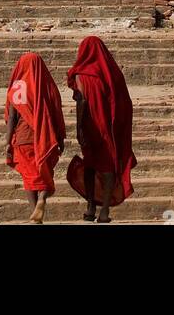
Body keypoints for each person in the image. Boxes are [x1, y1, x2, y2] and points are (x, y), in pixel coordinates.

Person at [67, 35, 136, 223]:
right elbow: (124, 101)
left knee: (90, 164)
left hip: (90, 126)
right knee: (108, 166)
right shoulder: (111, 73)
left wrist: (79, 127)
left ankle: (90, 206)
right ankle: (104, 210)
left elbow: (82, 101)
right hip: (108, 127)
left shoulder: (81, 74)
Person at [4, 51, 66, 223]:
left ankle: (34, 214)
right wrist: (60, 137)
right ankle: (42, 198)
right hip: (46, 137)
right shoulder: (48, 86)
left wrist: (8, 141)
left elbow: (11, 117)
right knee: (45, 172)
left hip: (23, 138)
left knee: (28, 175)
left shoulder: (17, 87)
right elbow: (56, 113)